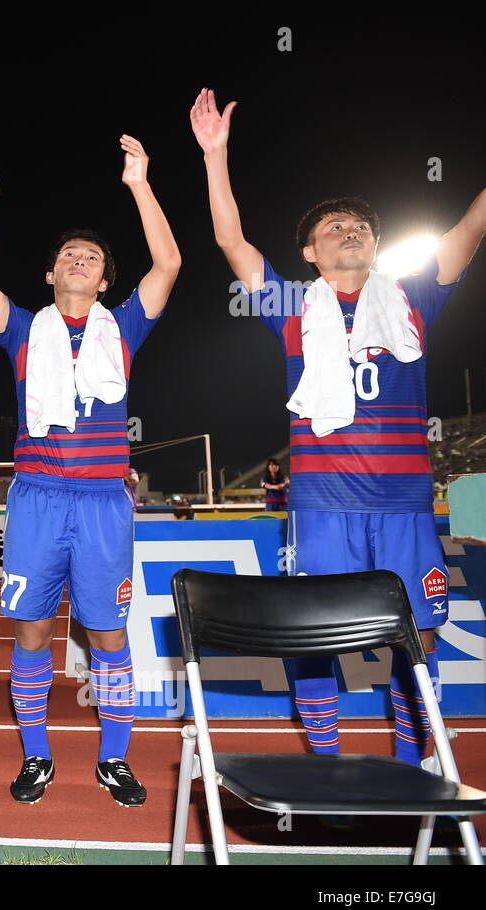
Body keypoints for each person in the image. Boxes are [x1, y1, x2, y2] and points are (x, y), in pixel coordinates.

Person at [191, 88, 485, 764]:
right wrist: (215, 156)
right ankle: (323, 766)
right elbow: (230, 241)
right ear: (310, 253)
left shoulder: (412, 299)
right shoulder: (294, 307)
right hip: (323, 509)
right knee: (315, 638)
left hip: (405, 509)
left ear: (378, 244)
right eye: (333, 228)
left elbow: (470, 230)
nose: (348, 230)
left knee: (418, 641)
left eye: (359, 225)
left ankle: (415, 772)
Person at [0, 135, 181, 808]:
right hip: (36, 500)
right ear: (52, 275)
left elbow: (169, 262)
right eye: (67, 254)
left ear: (105, 281)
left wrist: (141, 184)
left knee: (108, 636)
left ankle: (113, 759)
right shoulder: (26, 329)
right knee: (32, 633)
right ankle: (37, 756)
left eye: (91, 257)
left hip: (101, 503)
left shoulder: (125, 328)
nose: (78, 259)